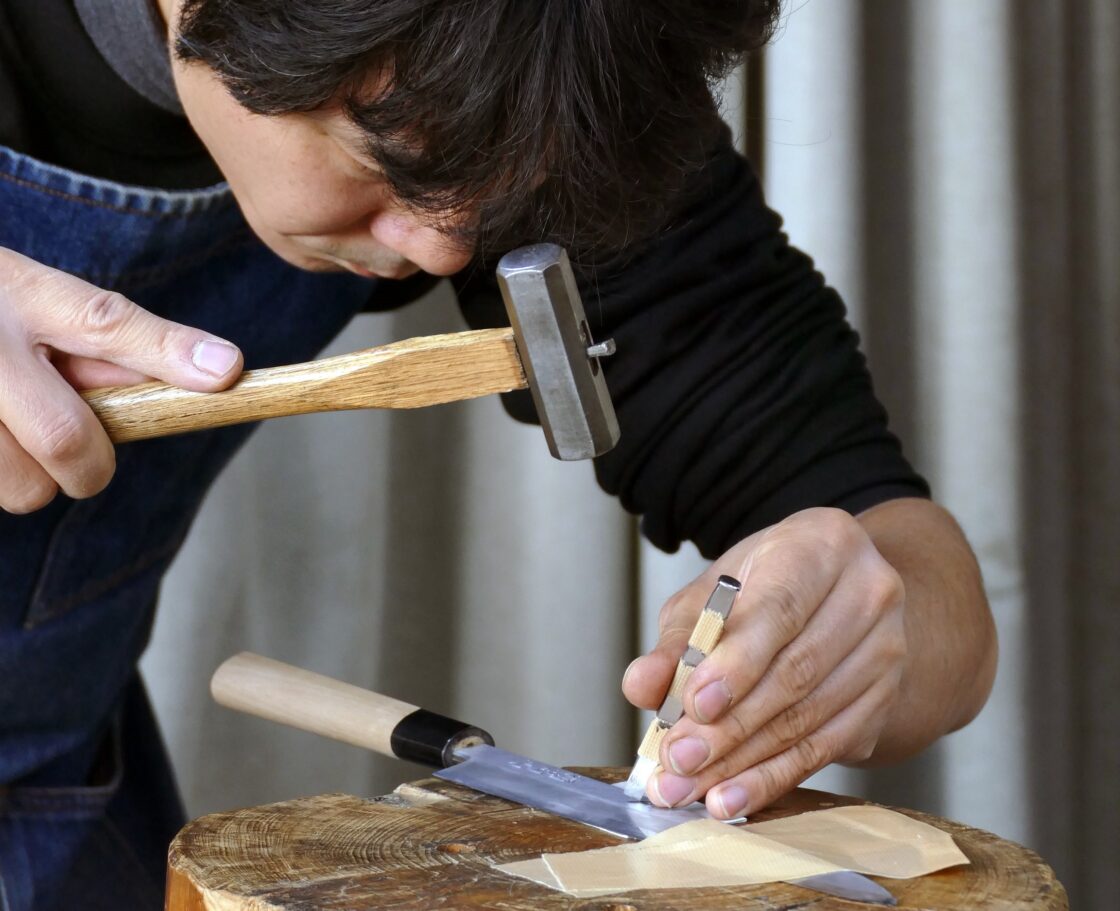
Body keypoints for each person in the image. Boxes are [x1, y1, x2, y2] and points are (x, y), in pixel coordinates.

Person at [0, 1, 997, 908]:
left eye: (481, 186)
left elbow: (904, 556)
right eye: (385, 159)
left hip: (53, 797)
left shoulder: (540, 73)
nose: (440, 247)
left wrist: (862, 628)